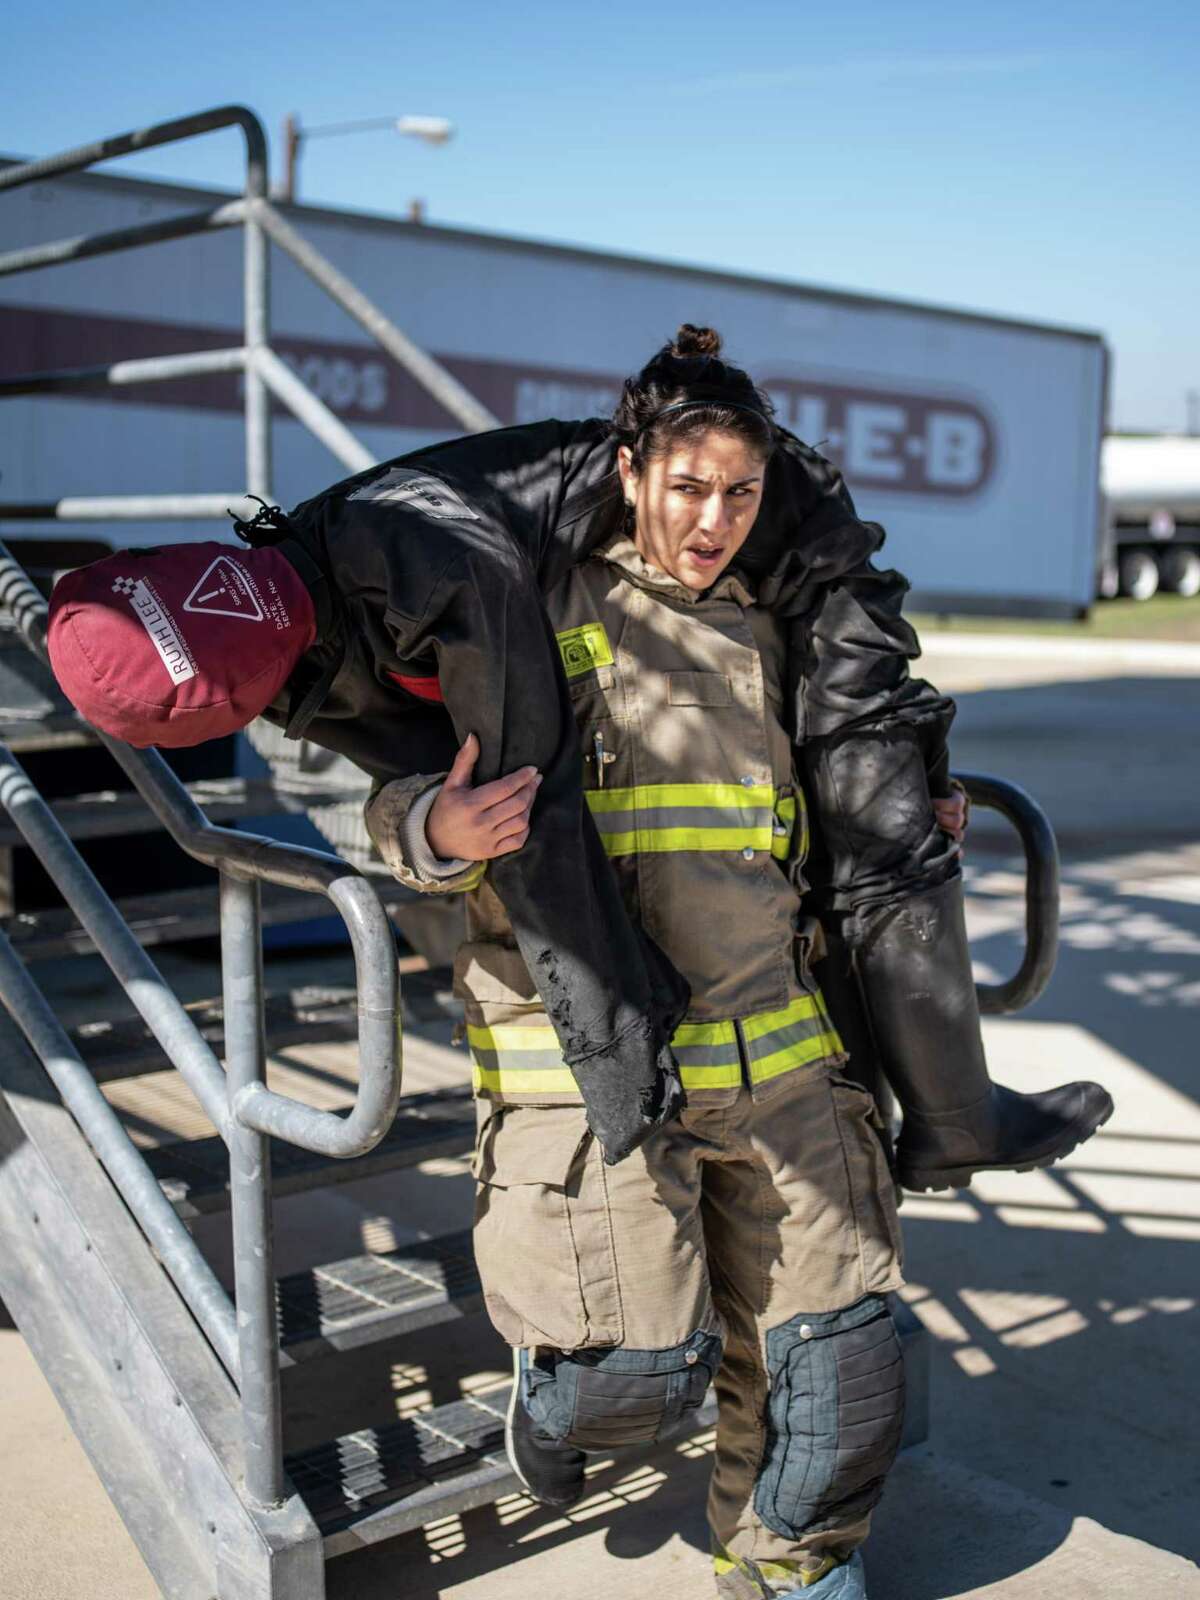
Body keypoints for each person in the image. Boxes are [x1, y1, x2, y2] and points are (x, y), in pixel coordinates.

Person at [46, 325, 1112, 1597]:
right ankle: (553, 1403)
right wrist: (432, 834)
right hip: (588, 1065)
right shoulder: (520, 600)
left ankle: (793, 1572)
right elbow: (386, 798)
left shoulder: (780, 626)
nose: (713, 520)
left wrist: (915, 804)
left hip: (782, 1059)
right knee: (624, 1384)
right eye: (687, 488)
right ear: (627, 472)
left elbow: (847, 773)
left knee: (838, 1379)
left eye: (741, 495)